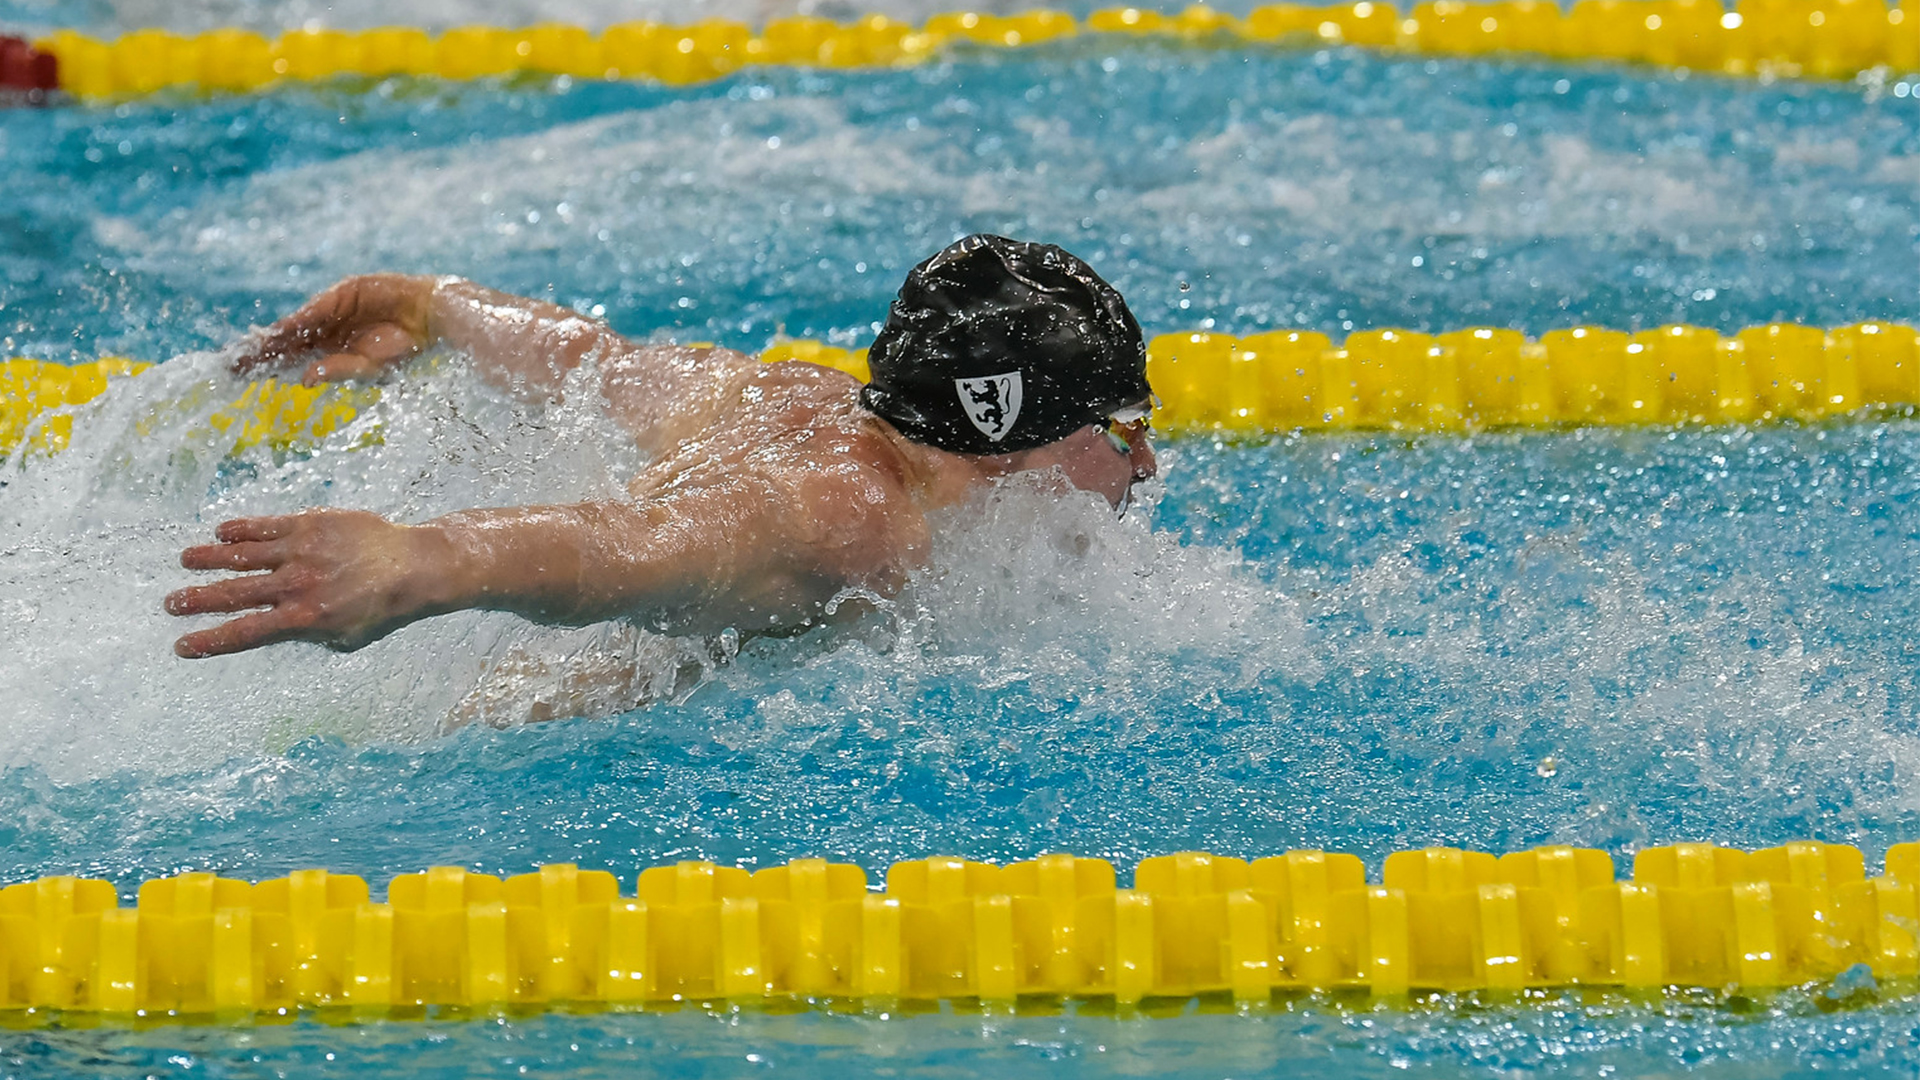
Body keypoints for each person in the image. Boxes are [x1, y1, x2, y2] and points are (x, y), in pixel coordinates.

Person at [166, 234, 1159, 659]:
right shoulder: (857, 526)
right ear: (1008, 433)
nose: (1145, 463)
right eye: (1122, 427)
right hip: (519, 757)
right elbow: (645, 543)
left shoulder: (797, 399)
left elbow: (589, 360)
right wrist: (425, 565)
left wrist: (425, 305)